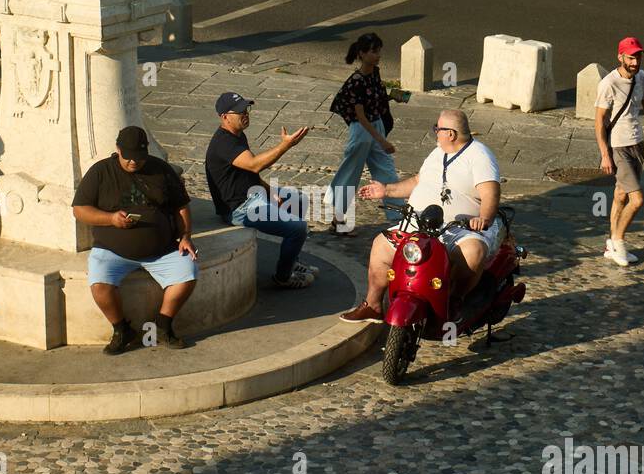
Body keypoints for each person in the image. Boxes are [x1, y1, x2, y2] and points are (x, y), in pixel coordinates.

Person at [340, 109, 501, 324]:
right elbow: (417, 181)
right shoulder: (438, 152)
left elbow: (490, 192)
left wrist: (484, 218)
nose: (435, 132)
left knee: (474, 253)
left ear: (451, 134)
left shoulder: (480, 156)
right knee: (381, 245)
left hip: (459, 228)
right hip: (418, 221)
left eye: (438, 129)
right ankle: (374, 304)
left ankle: (454, 300)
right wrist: (386, 190)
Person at [72, 126, 198, 354]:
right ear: (118, 150)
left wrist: (186, 236)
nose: (133, 163)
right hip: (112, 249)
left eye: (138, 158)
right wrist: (111, 219)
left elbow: (181, 205)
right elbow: (80, 210)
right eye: (127, 157)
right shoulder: (100, 172)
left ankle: (163, 325)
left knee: (187, 273)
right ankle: (121, 329)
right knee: (100, 284)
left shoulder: (161, 170)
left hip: (162, 249)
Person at [204, 92, 317, 290]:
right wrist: (285, 145)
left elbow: (248, 173)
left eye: (246, 109)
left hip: (253, 194)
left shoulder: (237, 135)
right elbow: (254, 165)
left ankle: (292, 261)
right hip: (239, 208)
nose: (245, 114)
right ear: (224, 117)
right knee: (297, 229)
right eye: (240, 112)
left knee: (298, 201)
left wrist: (269, 190)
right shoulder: (225, 143)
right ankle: (283, 277)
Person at [327, 32, 406, 235]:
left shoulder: (374, 74)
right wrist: (381, 140)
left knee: (386, 170)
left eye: (379, 51)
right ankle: (338, 218)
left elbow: (374, 101)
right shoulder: (356, 81)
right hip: (363, 131)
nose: (378, 55)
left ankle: (397, 217)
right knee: (350, 172)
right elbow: (360, 116)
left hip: (376, 125)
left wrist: (391, 97)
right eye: (373, 51)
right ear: (361, 54)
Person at [595, 37, 644, 268]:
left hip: (637, 143)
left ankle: (610, 244)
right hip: (618, 146)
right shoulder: (608, 84)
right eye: (631, 57)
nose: (635, 61)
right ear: (620, 56)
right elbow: (599, 121)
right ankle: (619, 241)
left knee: (621, 195)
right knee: (637, 199)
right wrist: (605, 154)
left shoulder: (641, 78)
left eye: (638, 56)